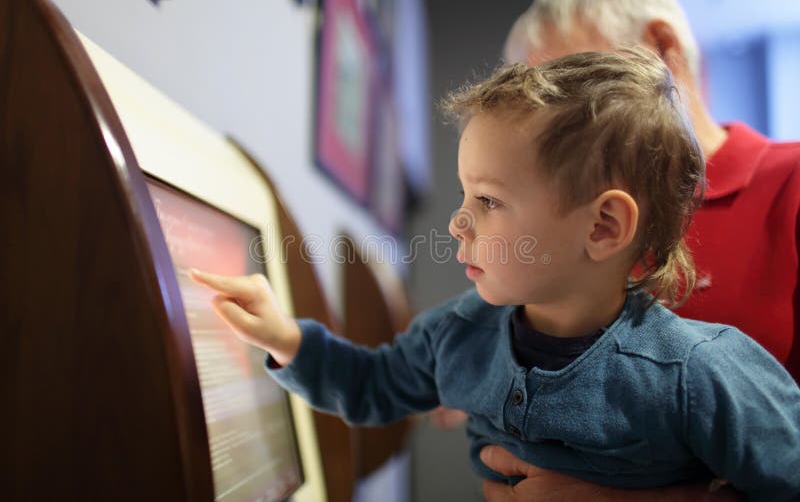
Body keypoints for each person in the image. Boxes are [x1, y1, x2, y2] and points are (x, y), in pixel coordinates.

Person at [190, 48, 800, 499]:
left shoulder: (698, 373)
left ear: (603, 227)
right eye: (464, 195)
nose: (457, 223)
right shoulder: (458, 333)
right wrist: (287, 341)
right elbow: (373, 385)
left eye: (487, 200)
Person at [504, 0, 800, 386]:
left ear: (662, 48)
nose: (558, 135)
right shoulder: (574, 221)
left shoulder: (792, 183)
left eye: (580, 91)